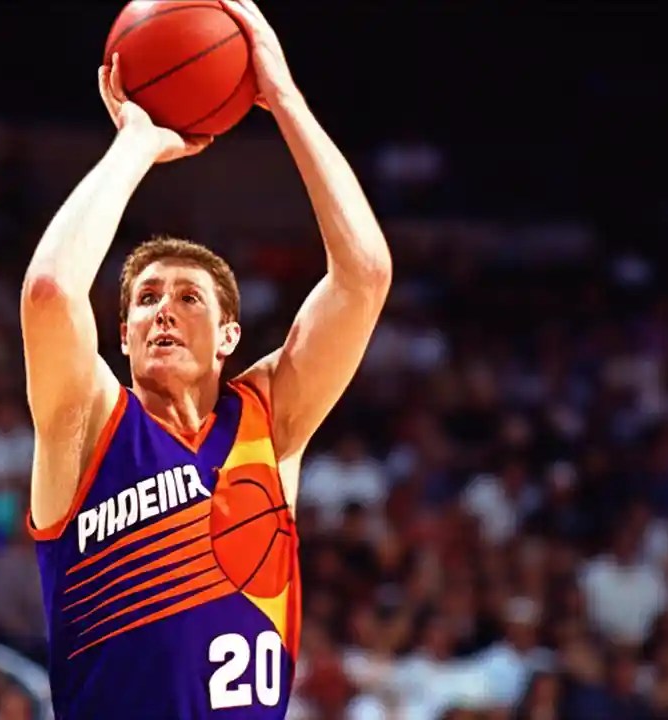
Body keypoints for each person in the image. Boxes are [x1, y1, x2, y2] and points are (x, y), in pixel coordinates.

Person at [20, 1, 392, 718]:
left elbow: (365, 275)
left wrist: (284, 100)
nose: (163, 309)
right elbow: (49, 291)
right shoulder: (90, 425)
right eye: (146, 299)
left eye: (188, 297)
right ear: (121, 336)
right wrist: (135, 141)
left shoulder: (270, 420)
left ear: (229, 336)